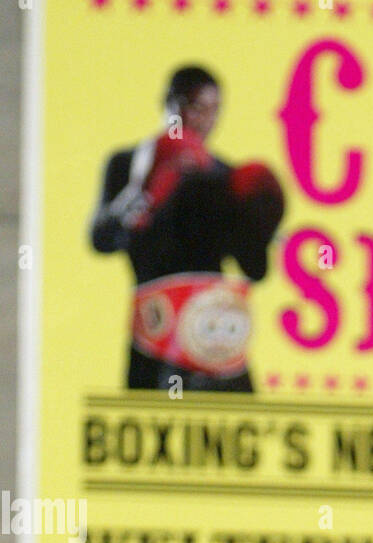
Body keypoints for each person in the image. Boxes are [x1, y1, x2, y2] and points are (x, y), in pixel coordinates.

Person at [89, 65, 284, 392]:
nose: (204, 120)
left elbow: (255, 269)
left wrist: (260, 223)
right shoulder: (128, 164)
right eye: (195, 107)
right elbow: (102, 239)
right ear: (169, 103)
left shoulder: (224, 176)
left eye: (213, 110)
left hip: (216, 334)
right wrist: (146, 190)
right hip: (155, 335)